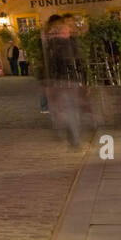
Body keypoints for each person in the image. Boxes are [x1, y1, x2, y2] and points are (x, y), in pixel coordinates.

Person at [43, 15, 83, 148]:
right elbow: (79, 62)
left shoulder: (54, 44)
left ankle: (71, 134)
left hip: (63, 81)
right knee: (71, 109)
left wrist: (50, 82)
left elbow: (53, 63)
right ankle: (73, 135)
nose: (68, 32)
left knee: (67, 109)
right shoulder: (72, 42)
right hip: (69, 80)